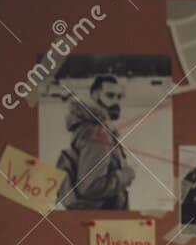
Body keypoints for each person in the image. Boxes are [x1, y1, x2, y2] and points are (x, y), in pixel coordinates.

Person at [56, 75, 136, 210]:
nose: (116, 101)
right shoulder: (96, 134)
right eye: (110, 96)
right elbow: (90, 187)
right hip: (102, 215)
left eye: (119, 97)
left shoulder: (93, 127)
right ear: (94, 95)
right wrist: (126, 175)